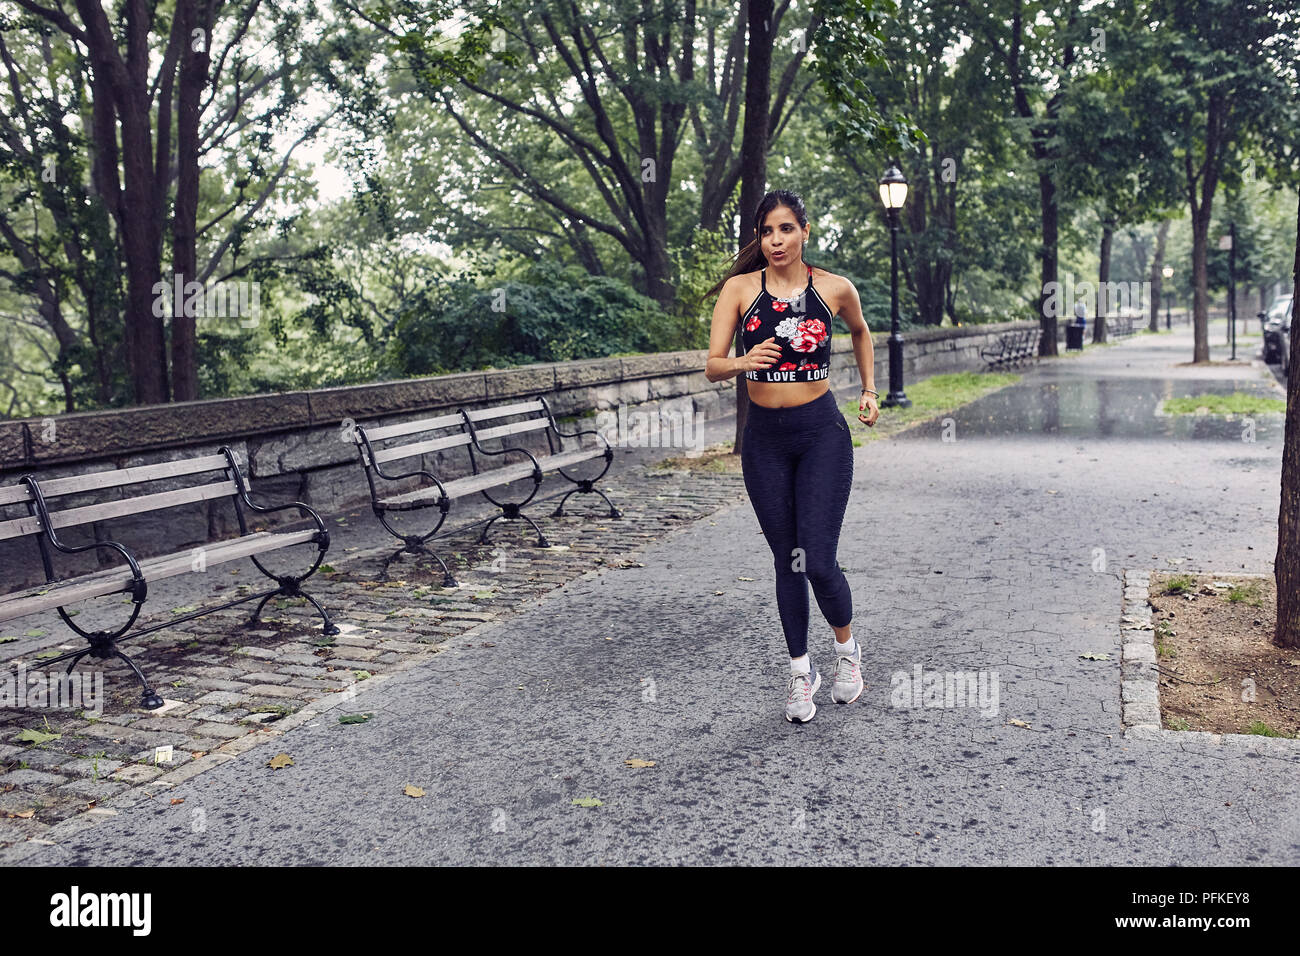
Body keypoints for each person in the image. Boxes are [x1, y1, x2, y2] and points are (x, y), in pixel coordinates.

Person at [702, 189, 880, 723]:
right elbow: (711, 365)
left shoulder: (833, 288)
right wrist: (743, 362)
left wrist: (869, 390)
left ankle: (847, 655)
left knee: (818, 560)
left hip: (820, 433)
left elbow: (862, 332)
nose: (776, 241)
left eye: (786, 229)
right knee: (787, 560)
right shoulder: (739, 289)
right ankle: (801, 674)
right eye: (766, 232)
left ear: (804, 231)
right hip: (766, 441)